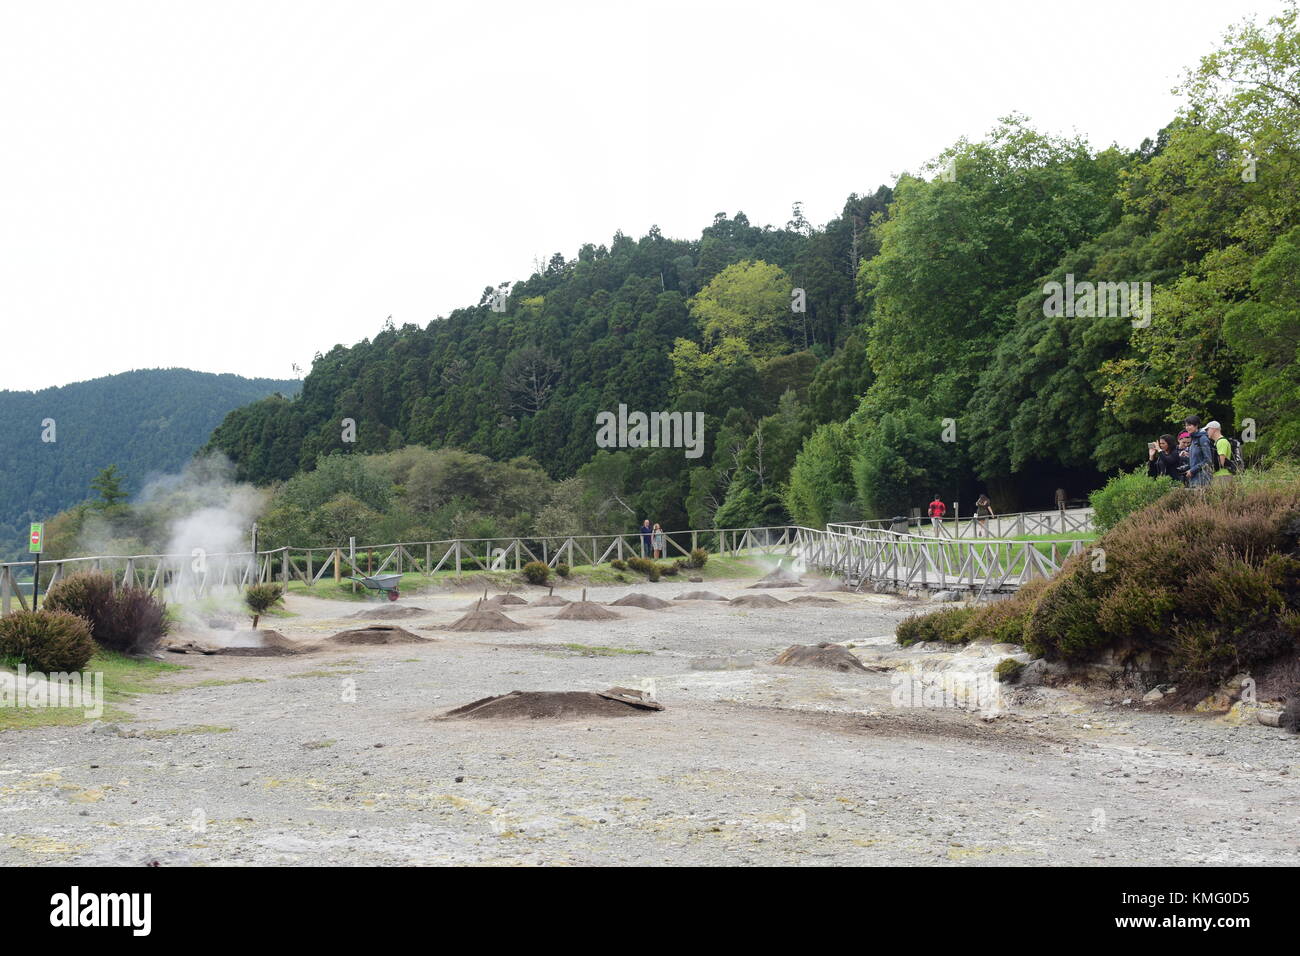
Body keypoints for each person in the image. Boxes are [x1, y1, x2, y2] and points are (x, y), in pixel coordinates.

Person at [1182, 416, 1215, 488]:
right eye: (1186, 425)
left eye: (1189, 425)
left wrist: (1192, 470)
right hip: (1193, 478)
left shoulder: (1203, 438)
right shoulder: (1193, 439)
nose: (1187, 428)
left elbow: (1208, 460)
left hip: (1203, 478)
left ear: (1196, 425)